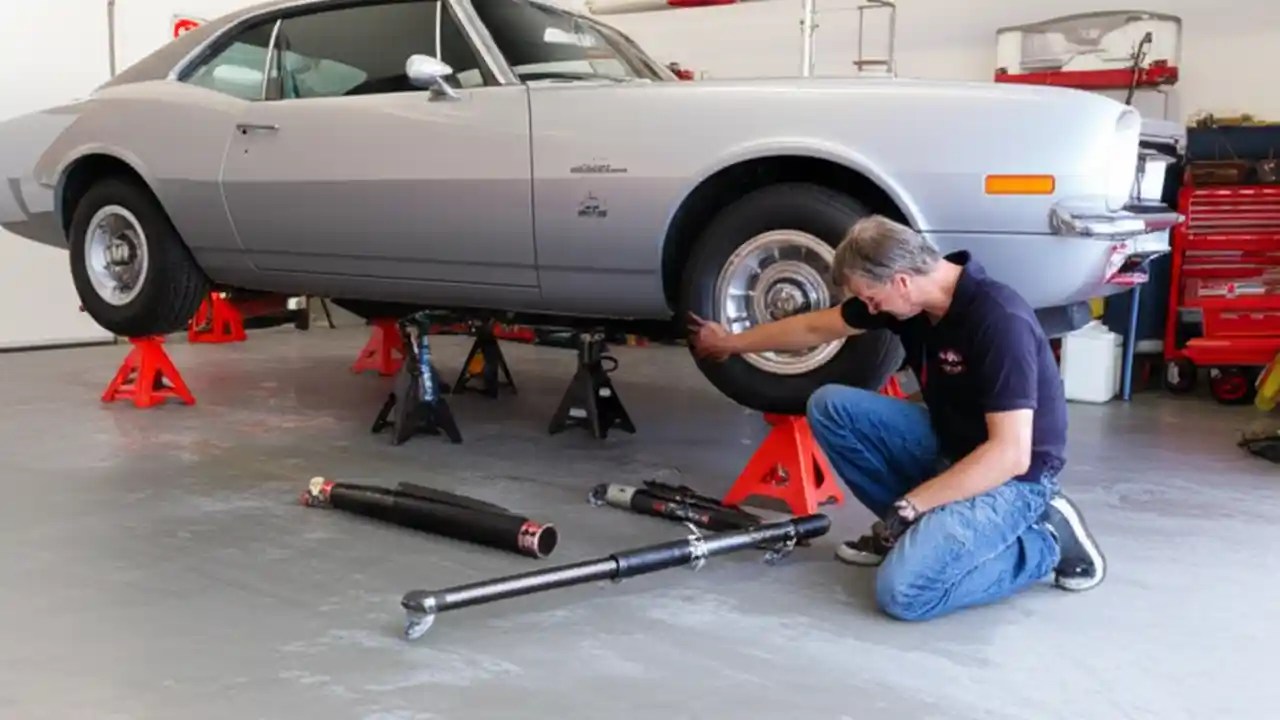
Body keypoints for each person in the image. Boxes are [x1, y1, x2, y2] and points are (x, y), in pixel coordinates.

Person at [688, 215, 1106, 622]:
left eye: (871, 298)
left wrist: (914, 503)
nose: (869, 308)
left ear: (901, 280)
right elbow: (817, 327)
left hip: (1013, 478)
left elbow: (1010, 454)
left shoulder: (998, 319)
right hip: (953, 445)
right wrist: (730, 343)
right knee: (830, 406)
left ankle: (1043, 542)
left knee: (905, 593)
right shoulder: (906, 302)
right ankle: (916, 531)